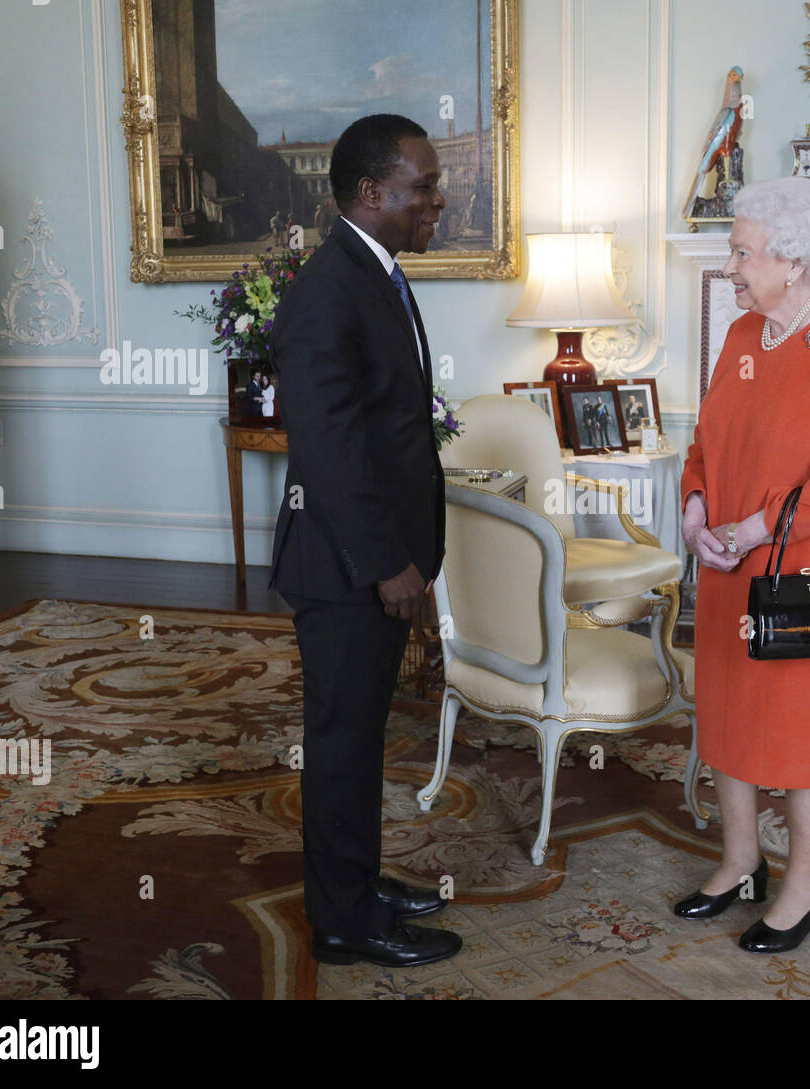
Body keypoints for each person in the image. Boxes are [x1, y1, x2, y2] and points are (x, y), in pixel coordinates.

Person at [675, 176, 810, 954]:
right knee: (727, 711)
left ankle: (806, 884)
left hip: (808, 570)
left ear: (793, 260)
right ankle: (740, 861)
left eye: (741, 251)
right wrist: (698, 509)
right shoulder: (742, 336)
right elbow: (706, 442)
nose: (729, 265)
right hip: (728, 558)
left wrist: (752, 526)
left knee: (804, 729)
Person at [268, 114, 458, 969]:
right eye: (422, 186)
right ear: (371, 192)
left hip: (370, 561)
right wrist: (388, 564)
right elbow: (330, 451)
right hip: (345, 569)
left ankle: (357, 883)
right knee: (342, 745)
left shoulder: (373, 272)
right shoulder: (326, 290)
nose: (437, 199)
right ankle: (344, 923)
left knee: (361, 738)